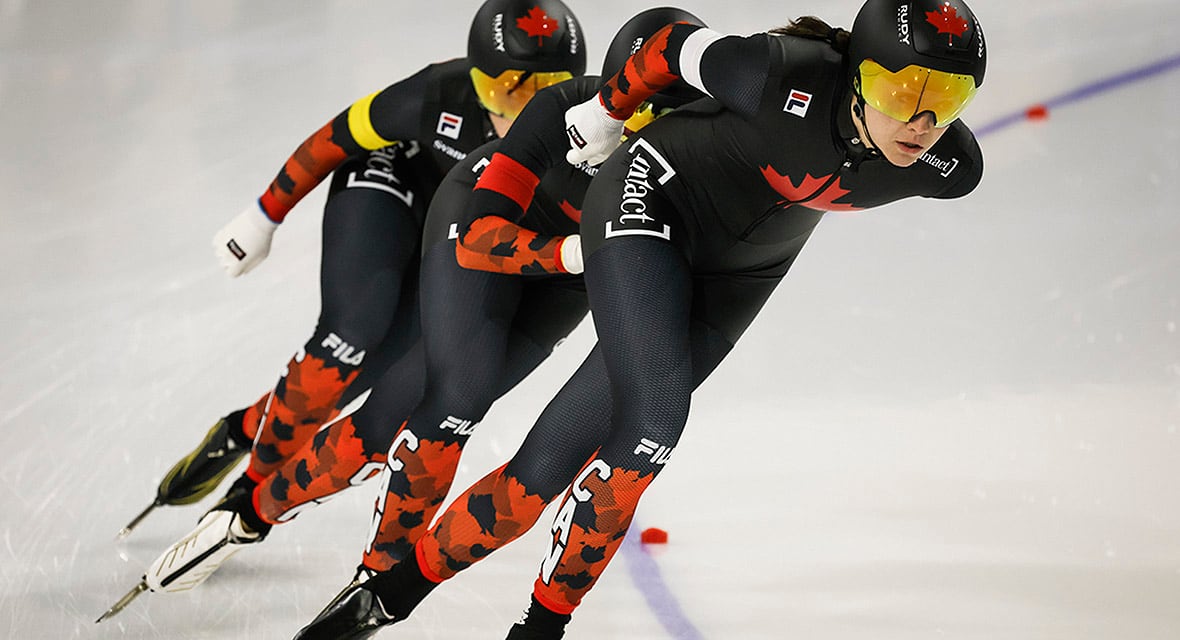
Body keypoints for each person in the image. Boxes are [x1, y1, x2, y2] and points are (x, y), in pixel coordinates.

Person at [294, 0, 987, 638]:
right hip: (647, 206)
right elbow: (665, 39)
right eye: (905, 92)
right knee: (655, 423)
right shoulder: (777, 75)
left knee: (545, 471)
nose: (924, 121)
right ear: (860, 78)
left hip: (739, 276)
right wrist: (606, 110)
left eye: (949, 98)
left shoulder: (949, 164)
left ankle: (389, 593)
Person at [97, 0, 585, 623]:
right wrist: (265, 213)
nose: (515, 106)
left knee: (382, 371)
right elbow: (338, 136)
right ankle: (248, 490)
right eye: (500, 86)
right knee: (350, 336)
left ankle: (246, 429)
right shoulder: (438, 93)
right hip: (396, 192)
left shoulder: (580, 135)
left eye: (539, 89)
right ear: (474, 78)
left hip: (460, 238)